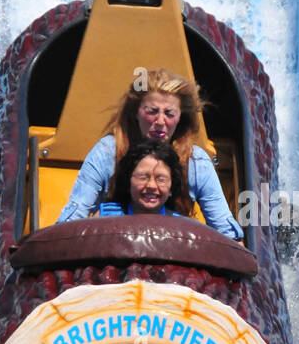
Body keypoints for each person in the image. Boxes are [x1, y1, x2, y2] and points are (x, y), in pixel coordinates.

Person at [57, 67, 243, 238]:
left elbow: (227, 234)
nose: (160, 121)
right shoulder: (107, 152)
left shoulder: (197, 162)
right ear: (135, 113)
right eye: (152, 111)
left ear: (180, 117)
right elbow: (70, 222)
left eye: (169, 113)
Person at [97, 140, 189, 217]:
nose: (151, 185)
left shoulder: (180, 225)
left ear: (172, 188)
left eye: (161, 179)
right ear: (128, 181)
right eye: (143, 177)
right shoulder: (106, 216)